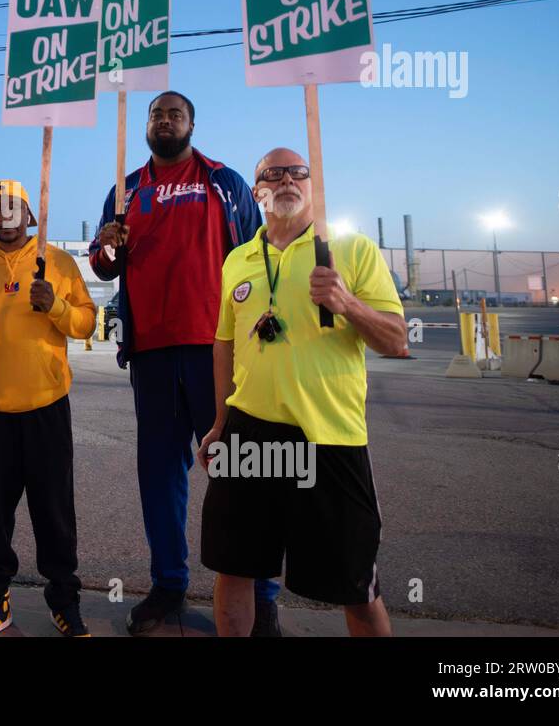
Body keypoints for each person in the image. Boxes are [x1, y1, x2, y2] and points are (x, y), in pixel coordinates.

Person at [88, 90, 282, 635]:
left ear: (192, 123)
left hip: (216, 351)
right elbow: (104, 267)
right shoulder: (126, 191)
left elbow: (256, 257)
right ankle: (169, 585)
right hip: (150, 353)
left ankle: (261, 593)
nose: (164, 121)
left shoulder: (224, 181)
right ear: (146, 125)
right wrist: (107, 243)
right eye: (156, 114)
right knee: (159, 476)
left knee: (238, 473)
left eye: (175, 114)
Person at [199, 147, 406, 636]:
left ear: (315, 187)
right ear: (257, 193)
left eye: (298, 172)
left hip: (328, 439)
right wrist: (219, 425)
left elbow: (396, 340)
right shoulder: (237, 261)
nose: (286, 179)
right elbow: (224, 348)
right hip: (249, 436)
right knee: (234, 570)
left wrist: (347, 302)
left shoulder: (350, 250)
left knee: (355, 586)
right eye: (273, 174)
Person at [0, 180, 96, 637]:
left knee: (55, 515)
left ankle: (65, 605)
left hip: (47, 410)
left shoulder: (58, 262)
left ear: (29, 215)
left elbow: (89, 321)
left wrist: (55, 307)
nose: (3, 215)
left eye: (12, 207)